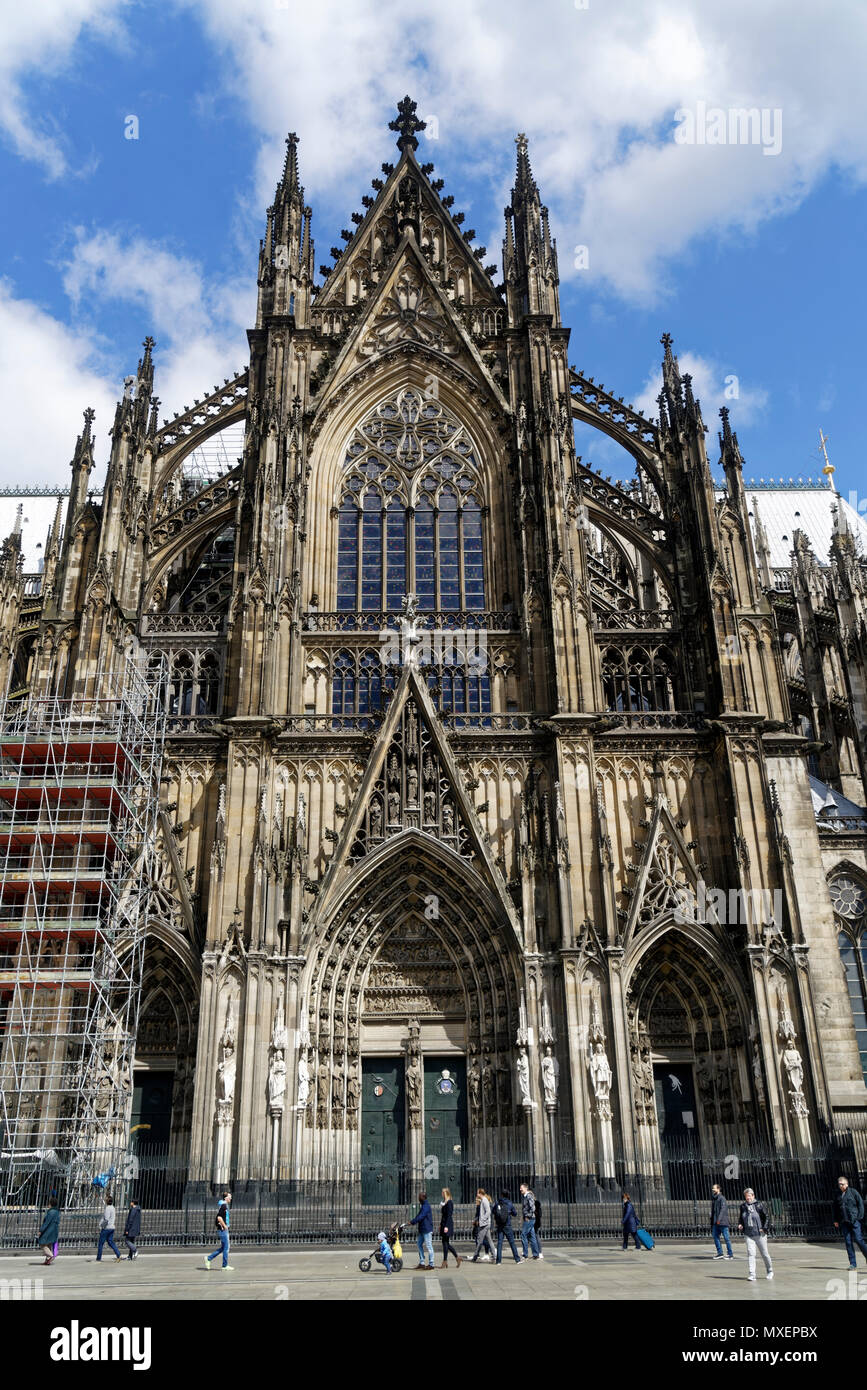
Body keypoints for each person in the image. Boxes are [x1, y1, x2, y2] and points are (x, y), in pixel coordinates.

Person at [737, 1188, 773, 1281]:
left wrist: (764, 1228)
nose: (748, 1198)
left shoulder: (759, 1205)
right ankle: (752, 1274)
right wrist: (740, 1224)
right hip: (748, 1234)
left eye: (749, 1196)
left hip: (760, 1234)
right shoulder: (743, 1206)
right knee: (751, 1254)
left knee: (764, 1253)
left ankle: (770, 1270)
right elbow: (741, 1217)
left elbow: (767, 1217)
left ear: (753, 1196)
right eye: (746, 1196)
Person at [832, 1175, 867, 1270]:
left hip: (854, 1220)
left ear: (847, 1184)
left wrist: (859, 1217)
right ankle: (853, 1263)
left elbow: (860, 1204)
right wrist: (835, 1220)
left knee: (858, 1239)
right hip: (844, 1222)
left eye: (842, 1184)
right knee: (848, 1242)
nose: (841, 1186)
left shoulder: (853, 1192)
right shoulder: (838, 1195)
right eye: (839, 1184)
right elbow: (835, 1208)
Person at [203, 1190, 234, 1271]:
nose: (231, 1199)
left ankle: (209, 1258)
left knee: (224, 1247)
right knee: (226, 1248)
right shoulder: (224, 1206)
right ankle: (224, 1265)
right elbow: (219, 1217)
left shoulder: (223, 1205)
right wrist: (225, 1226)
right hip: (223, 1229)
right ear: (226, 1198)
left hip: (222, 1229)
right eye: (230, 1197)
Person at [492, 1190, 522, 1265]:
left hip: (499, 1225)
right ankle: (517, 1260)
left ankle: (498, 1261)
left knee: (499, 1243)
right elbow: (515, 1213)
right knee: (512, 1242)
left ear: (501, 1195)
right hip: (507, 1225)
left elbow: (493, 1211)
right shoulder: (509, 1203)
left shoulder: (497, 1202)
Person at [409, 1190, 435, 1269]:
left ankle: (431, 1264)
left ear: (423, 1197)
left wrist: (413, 1222)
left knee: (429, 1246)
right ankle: (422, 1262)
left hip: (426, 1229)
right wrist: (412, 1221)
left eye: (419, 1196)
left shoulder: (426, 1206)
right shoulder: (423, 1205)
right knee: (419, 1244)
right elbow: (418, 1215)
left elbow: (421, 1216)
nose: (418, 1198)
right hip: (422, 1229)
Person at [96, 1192, 122, 1262]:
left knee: (101, 1243)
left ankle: (98, 1258)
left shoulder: (107, 1208)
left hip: (106, 1228)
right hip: (112, 1227)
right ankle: (118, 1254)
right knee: (110, 1242)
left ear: (107, 1201)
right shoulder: (113, 1208)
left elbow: (106, 1219)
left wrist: (101, 1226)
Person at [439, 1187, 462, 1268]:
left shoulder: (449, 1202)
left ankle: (445, 1261)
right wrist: (440, 1225)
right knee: (445, 1243)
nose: (442, 1194)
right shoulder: (444, 1202)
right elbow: (443, 1215)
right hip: (443, 1224)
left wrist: (446, 1226)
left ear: (446, 1193)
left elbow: (449, 1215)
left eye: (443, 1192)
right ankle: (456, 1258)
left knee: (445, 1243)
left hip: (447, 1225)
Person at [710, 1183, 734, 1260]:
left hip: (722, 1222)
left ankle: (730, 1254)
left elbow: (723, 1210)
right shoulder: (714, 1198)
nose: (713, 1190)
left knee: (726, 1238)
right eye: (712, 1188)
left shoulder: (722, 1198)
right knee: (715, 1237)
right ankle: (720, 1253)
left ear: (718, 1189)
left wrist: (718, 1220)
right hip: (715, 1222)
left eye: (714, 1188)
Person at [519, 1182, 542, 1259]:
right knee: (532, 1236)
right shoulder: (526, 1196)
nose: (520, 1189)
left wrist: (528, 1216)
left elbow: (532, 1207)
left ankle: (525, 1254)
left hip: (529, 1219)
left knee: (523, 1235)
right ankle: (536, 1254)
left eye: (521, 1188)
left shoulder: (528, 1196)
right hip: (531, 1218)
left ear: (526, 1188)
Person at [471, 1188, 494, 1262]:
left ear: (480, 1193)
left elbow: (488, 1212)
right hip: (486, 1224)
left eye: (477, 1193)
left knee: (479, 1240)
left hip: (484, 1224)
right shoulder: (483, 1200)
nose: (477, 1194)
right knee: (489, 1240)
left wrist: (482, 1220)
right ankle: (495, 1255)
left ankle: (475, 1256)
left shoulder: (484, 1200)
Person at [37, 1194, 60, 1265]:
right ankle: (47, 1260)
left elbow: (46, 1222)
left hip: (49, 1230)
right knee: (49, 1244)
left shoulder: (50, 1212)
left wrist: (41, 1230)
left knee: (42, 1243)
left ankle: (50, 1256)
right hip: (55, 1230)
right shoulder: (57, 1212)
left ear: (51, 1204)